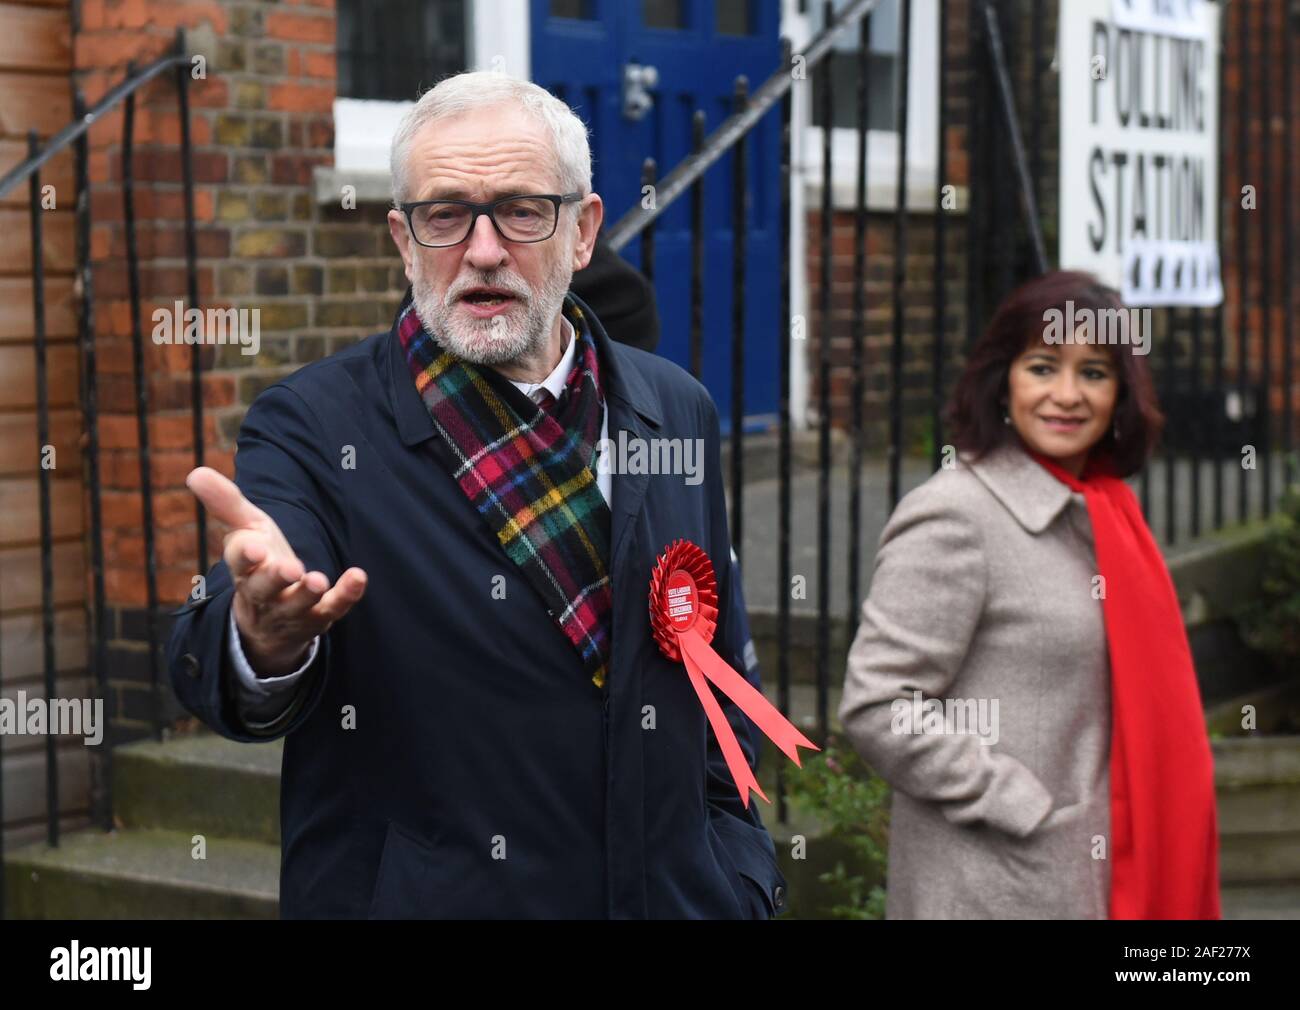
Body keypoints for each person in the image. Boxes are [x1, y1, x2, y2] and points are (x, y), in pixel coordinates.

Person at [167, 71, 785, 919]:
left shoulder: (675, 405)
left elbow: (715, 678)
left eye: (523, 211)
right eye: (445, 215)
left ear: (583, 231)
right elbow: (231, 643)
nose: (484, 249)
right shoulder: (313, 425)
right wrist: (261, 637)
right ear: (403, 240)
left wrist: (741, 870)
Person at [838, 271, 1220, 919]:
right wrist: (1020, 804)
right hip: (995, 886)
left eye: (1094, 373)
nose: (1067, 395)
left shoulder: (1103, 516)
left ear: (1121, 392)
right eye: (1043, 367)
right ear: (1003, 381)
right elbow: (879, 706)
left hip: (1098, 879)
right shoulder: (957, 514)